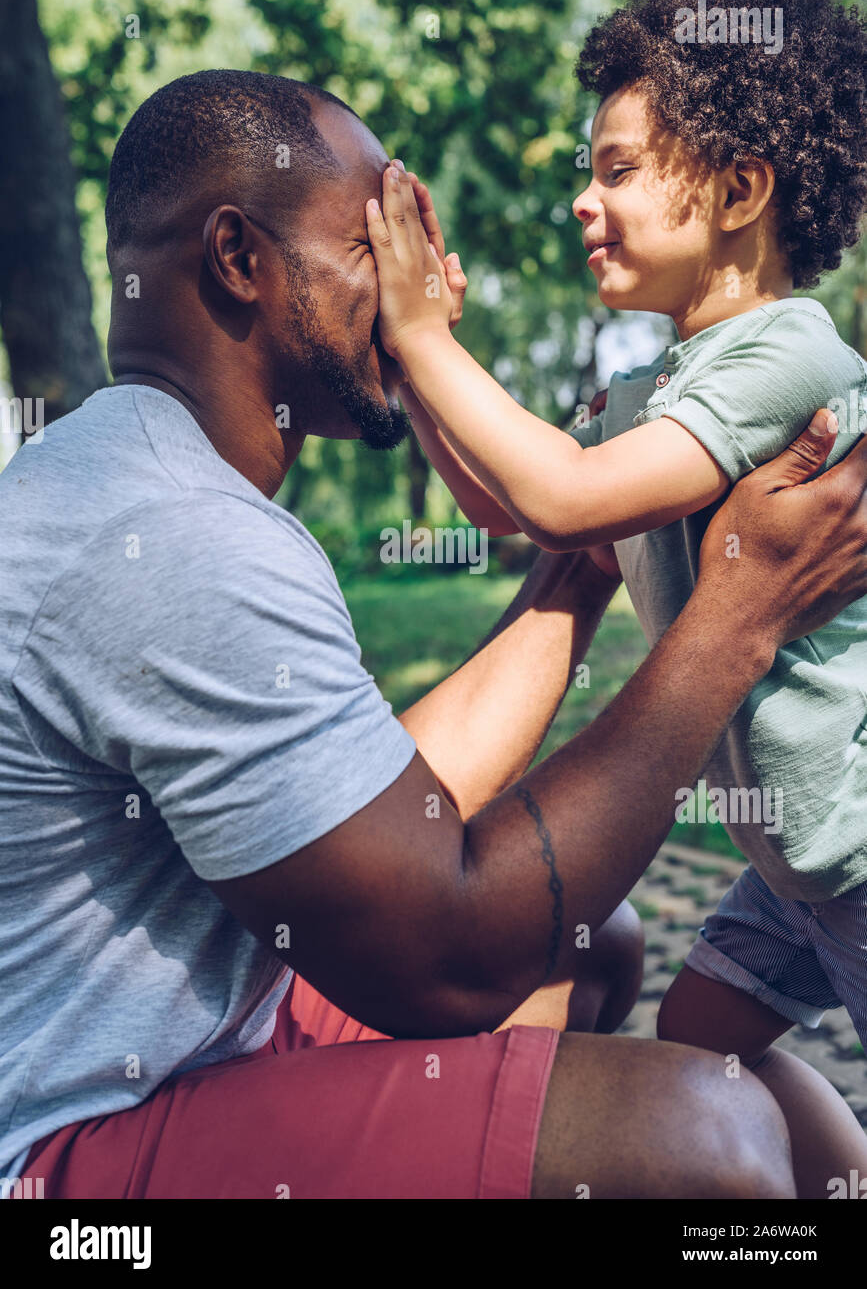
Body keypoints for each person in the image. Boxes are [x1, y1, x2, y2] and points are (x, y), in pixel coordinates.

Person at [2, 71, 867, 1202]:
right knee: (713, 1138)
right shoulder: (173, 534)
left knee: (602, 952)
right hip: (67, 1145)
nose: (413, 283)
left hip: (208, 1026)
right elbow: (449, 958)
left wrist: (434, 375)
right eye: (379, 244)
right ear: (238, 258)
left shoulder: (143, 477)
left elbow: (401, 799)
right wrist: (736, 620)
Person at [365, 0, 867, 1196]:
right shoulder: (657, 395)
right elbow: (529, 512)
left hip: (857, 849)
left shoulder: (784, 355)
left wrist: (429, 340)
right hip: (783, 864)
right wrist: (420, 365)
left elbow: (562, 492)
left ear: (740, 188)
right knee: (699, 1060)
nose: (585, 202)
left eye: (618, 170)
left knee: (701, 1059)